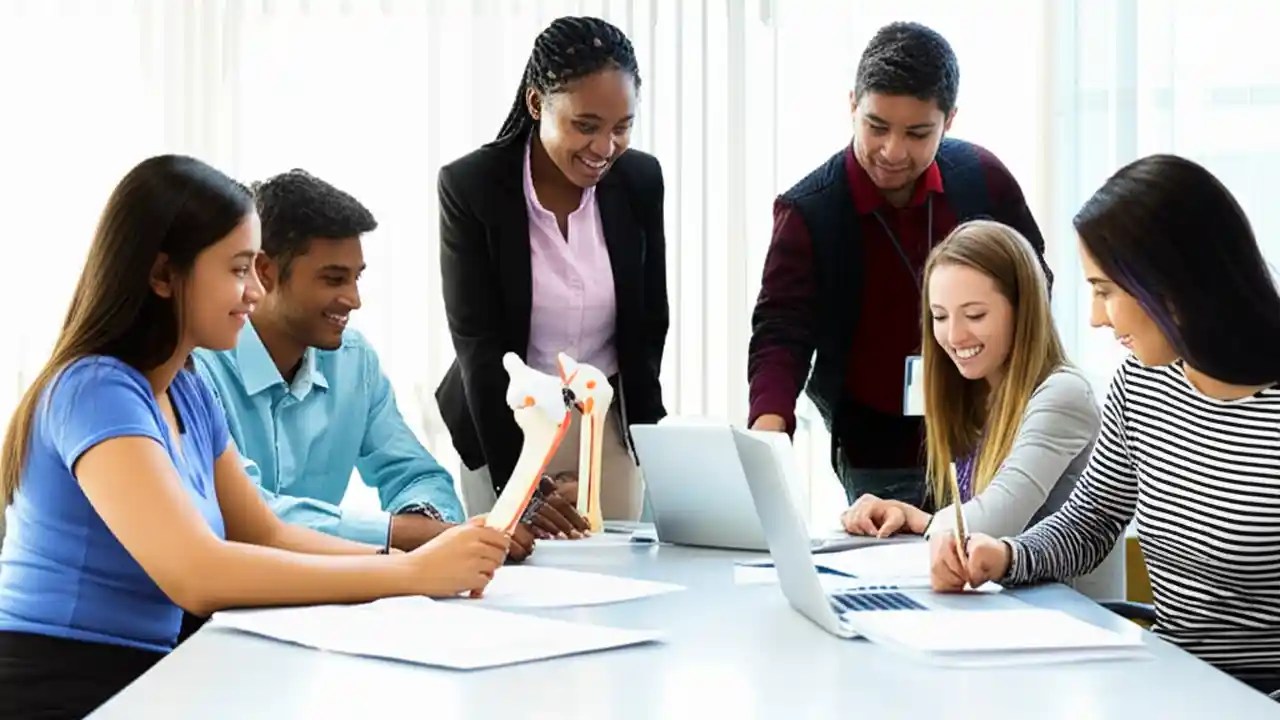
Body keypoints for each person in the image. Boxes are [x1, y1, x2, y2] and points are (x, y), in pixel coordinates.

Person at [0, 156, 509, 718]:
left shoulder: (187, 388)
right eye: (239, 269)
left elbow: (265, 533)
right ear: (164, 275)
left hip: (157, 671)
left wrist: (414, 561)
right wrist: (407, 573)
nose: (253, 292)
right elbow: (198, 573)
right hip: (67, 684)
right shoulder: (96, 390)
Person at [932, 155, 1280, 698]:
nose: (1096, 317)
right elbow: (1091, 521)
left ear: (1172, 282)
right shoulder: (1142, 382)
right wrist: (1005, 556)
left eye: (1105, 290)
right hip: (1170, 682)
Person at [748, 21, 1051, 510]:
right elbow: (782, 332)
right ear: (853, 105)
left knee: (992, 547)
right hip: (878, 442)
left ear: (949, 121)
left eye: (917, 133)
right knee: (897, 550)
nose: (892, 151)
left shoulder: (982, 179)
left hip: (989, 422)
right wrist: (769, 432)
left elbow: (1034, 287)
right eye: (876, 126)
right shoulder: (810, 210)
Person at [193, 170, 561, 562]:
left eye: (356, 278)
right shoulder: (198, 366)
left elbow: (417, 475)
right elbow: (245, 515)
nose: (353, 299)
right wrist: (407, 535)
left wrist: (430, 527)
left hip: (326, 587)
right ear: (264, 271)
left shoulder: (354, 361)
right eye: (334, 279)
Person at [436, 16, 668, 523]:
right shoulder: (472, 187)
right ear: (536, 103)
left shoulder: (640, 180)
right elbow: (478, 346)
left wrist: (652, 443)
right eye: (586, 126)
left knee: (617, 565)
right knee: (510, 564)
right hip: (505, 421)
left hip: (605, 424)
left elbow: (650, 323)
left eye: (622, 127)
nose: (605, 147)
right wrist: (522, 487)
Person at [841, 220, 1122, 599]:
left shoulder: (1064, 394)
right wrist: (910, 516)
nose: (954, 336)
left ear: (1022, 311)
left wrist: (923, 524)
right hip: (1008, 607)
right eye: (940, 316)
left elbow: (995, 521)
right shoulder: (977, 392)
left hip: (1070, 616)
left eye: (974, 315)